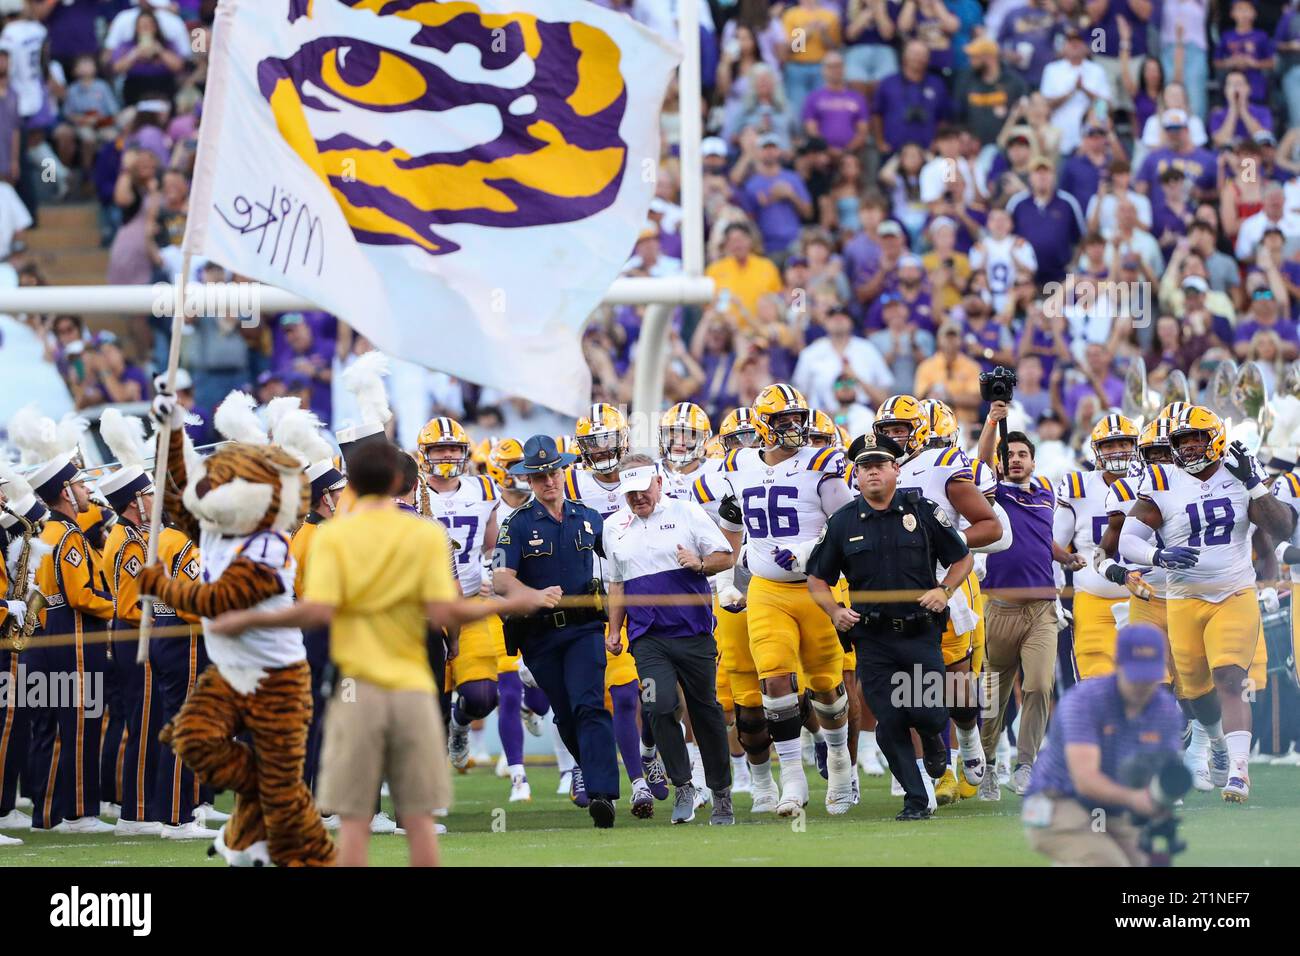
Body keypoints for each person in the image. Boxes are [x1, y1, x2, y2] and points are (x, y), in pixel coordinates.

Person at [211, 440, 538, 866]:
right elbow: (446, 608)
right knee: (419, 819)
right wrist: (510, 606)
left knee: (353, 821)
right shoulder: (425, 532)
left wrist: (247, 621)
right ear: (401, 481)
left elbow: (315, 611)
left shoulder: (335, 536)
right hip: (412, 684)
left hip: (355, 684)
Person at [1119, 406, 1294, 803]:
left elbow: (1282, 527)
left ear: (1216, 438)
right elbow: (1128, 539)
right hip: (1183, 597)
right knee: (1195, 693)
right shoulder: (1162, 479)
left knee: (1230, 679)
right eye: (1184, 440)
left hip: (1234, 592)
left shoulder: (1238, 472)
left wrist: (1254, 483)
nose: (1192, 445)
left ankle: (1238, 772)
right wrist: (1157, 557)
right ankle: (1216, 743)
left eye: (1199, 437)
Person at [806, 432, 973, 820]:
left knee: (930, 714)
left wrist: (945, 591)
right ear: (856, 476)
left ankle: (934, 744)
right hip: (872, 638)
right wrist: (834, 611)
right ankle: (916, 799)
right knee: (888, 720)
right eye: (864, 467)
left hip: (920, 632)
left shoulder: (924, 510)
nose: (872, 473)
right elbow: (817, 578)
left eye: (880, 464)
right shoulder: (842, 522)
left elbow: (961, 558)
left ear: (896, 470)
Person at [716, 383, 858, 815]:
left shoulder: (821, 462)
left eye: (798, 419)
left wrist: (810, 550)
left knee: (826, 689)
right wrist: (727, 577)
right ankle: (792, 777)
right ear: (762, 424)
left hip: (817, 588)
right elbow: (728, 526)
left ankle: (838, 762)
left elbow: (849, 523)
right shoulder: (738, 463)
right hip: (766, 590)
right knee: (774, 679)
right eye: (784, 420)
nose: (794, 427)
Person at [493, 435, 623, 828]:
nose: (549, 481)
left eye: (554, 472)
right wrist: (533, 595)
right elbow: (501, 580)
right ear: (529, 482)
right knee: (565, 714)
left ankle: (603, 794)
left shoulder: (589, 517)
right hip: (540, 635)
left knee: (589, 704)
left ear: (564, 472)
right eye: (540, 476)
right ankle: (588, 767)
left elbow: (619, 561)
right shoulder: (514, 525)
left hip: (584, 629)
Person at [603, 455, 736, 824]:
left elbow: (726, 556)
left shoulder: (688, 512)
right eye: (629, 492)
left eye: (643, 490)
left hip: (693, 632)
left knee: (706, 711)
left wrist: (700, 563)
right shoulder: (614, 526)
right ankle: (683, 785)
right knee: (657, 706)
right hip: (647, 638)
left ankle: (722, 793)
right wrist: (614, 630)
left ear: (658, 482)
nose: (637, 498)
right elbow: (617, 582)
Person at [1022, 624, 1184, 866]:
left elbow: (1163, 771)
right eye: (1136, 676)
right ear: (1117, 663)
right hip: (1056, 800)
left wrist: (1159, 807)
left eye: (1149, 676)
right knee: (1107, 863)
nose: (1142, 686)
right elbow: (1086, 780)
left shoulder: (1166, 710)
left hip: (1113, 808)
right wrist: (1137, 800)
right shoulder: (1084, 702)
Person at [974, 416, 1074, 799]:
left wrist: (1065, 557)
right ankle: (984, 764)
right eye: (1009, 454)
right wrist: (992, 421)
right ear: (1000, 463)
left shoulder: (1047, 493)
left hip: (1042, 610)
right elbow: (980, 466)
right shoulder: (992, 491)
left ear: (1033, 461)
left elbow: (1041, 539)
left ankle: (1027, 763)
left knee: (1039, 685)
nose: (1015, 460)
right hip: (999, 607)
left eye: (1022, 454)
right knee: (994, 699)